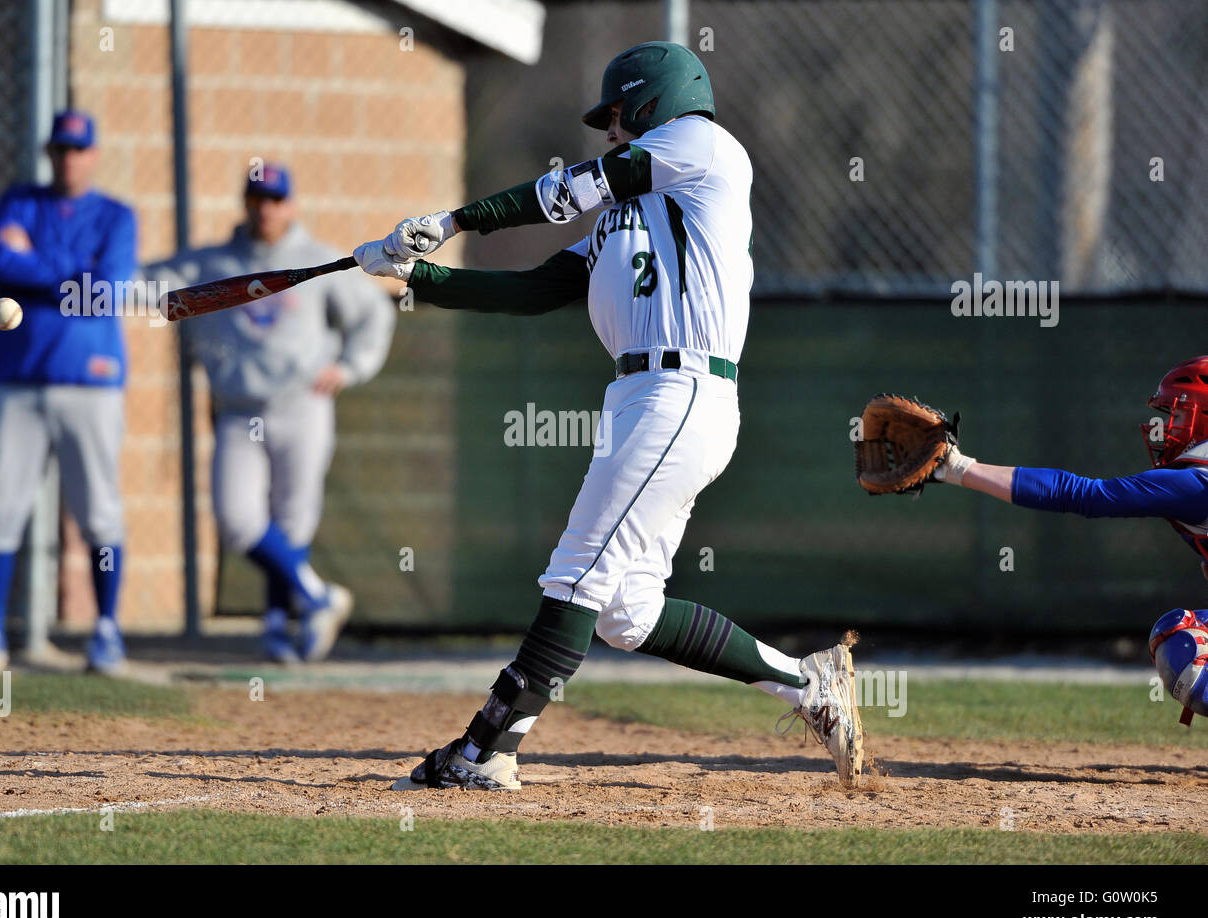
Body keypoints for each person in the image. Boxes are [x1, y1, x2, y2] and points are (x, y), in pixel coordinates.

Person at [352, 41, 865, 790]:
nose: (612, 129)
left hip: (682, 391)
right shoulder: (627, 216)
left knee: (576, 574)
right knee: (626, 610)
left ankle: (486, 749)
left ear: (657, 101)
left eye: (620, 113)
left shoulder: (706, 146)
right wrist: (415, 277)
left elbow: (576, 187)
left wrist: (454, 217)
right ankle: (810, 684)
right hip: (639, 402)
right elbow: (535, 290)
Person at [149, 164, 396, 662]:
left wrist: (349, 367)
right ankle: (317, 597)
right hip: (240, 410)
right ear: (245, 203)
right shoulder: (213, 262)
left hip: (302, 404)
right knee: (238, 520)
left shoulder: (316, 259)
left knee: (292, 522)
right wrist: (81, 286)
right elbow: (148, 285)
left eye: (276, 199)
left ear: (292, 204)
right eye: (258, 199)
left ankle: (276, 629)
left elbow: (375, 313)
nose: (267, 209)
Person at [925, 355, 1208, 722]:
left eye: (1181, 414)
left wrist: (959, 469)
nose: (1168, 426)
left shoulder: (1195, 483)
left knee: (1183, 642)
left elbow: (1081, 494)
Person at [0, 109, 136, 674]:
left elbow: (106, 287)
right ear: (50, 153)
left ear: (93, 154)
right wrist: (68, 273)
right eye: (60, 148)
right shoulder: (20, 201)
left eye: (78, 149)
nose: (68, 157)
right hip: (17, 380)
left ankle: (106, 631)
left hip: (92, 379)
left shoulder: (115, 214)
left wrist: (33, 264)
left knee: (99, 513)